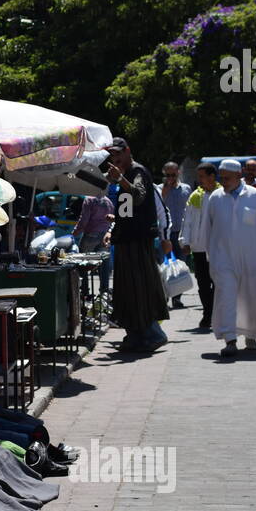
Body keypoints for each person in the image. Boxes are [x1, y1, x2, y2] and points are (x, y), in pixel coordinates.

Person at [105, 137, 170, 352]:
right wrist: (114, 224)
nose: (115, 158)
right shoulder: (120, 177)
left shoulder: (137, 171)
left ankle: (154, 334)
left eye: (118, 153)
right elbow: (127, 210)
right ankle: (134, 335)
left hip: (138, 241)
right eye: (112, 155)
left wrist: (121, 179)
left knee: (140, 290)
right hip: (124, 239)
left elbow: (139, 196)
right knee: (125, 291)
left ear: (127, 151)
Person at [205, 157, 256, 358]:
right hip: (223, 258)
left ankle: (251, 335)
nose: (224, 181)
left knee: (251, 299)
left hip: (252, 258)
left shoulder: (255, 196)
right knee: (227, 297)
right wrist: (208, 257)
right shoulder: (215, 198)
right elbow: (207, 228)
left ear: (239, 176)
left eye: (228, 177)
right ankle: (230, 339)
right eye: (222, 177)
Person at [179, 162, 219, 330]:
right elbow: (187, 221)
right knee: (202, 284)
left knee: (218, 283)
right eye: (199, 176)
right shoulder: (196, 195)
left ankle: (216, 313)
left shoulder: (221, 195)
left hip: (217, 248)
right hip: (199, 247)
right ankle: (207, 314)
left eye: (202, 176)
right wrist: (185, 241)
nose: (199, 180)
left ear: (212, 176)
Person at [156, 162, 192, 307]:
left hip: (181, 233)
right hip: (166, 234)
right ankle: (163, 297)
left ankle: (177, 298)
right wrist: (166, 186)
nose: (171, 177)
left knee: (179, 266)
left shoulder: (186, 188)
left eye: (173, 174)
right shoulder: (159, 188)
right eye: (168, 175)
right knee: (164, 267)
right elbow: (159, 204)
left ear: (178, 173)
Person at [71, 192, 114, 294]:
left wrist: (74, 233)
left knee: (82, 263)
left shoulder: (89, 199)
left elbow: (84, 220)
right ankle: (104, 292)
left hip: (91, 235)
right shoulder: (108, 202)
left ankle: (84, 291)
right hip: (105, 236)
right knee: (104, 266)